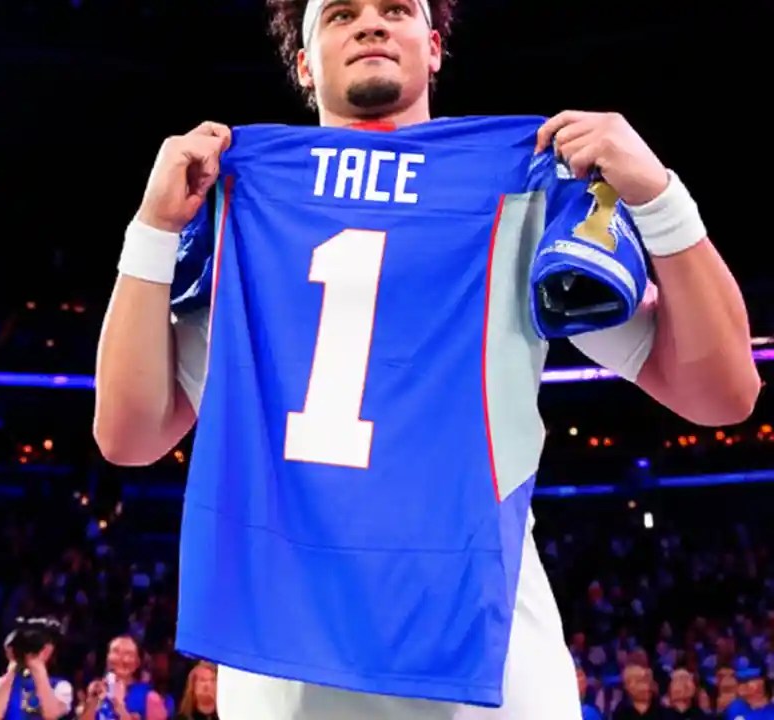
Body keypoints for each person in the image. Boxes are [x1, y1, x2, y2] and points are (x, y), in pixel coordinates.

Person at [92, 1, 758, 719]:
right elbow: (127, 436)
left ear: (433, 46)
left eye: (395, 9)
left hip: (487, 673)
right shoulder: (239, 212)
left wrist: (658, 198)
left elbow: (723, 393)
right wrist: (152, 229)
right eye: (341, 13)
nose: (371, 24)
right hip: (294, 678)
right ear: (305, 64)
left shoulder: (518, 196)